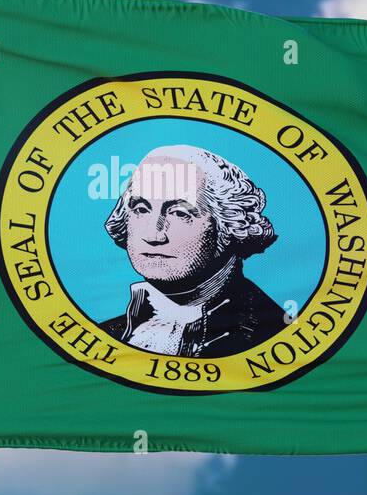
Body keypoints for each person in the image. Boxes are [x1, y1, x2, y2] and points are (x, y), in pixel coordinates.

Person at [100, 144, 286, 357]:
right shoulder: (106, 334)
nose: (154, 235)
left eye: (180, 213)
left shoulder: (273, 335)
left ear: (230, 224)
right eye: (141, 209)